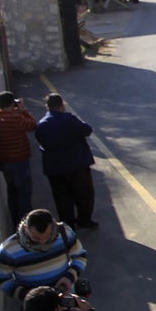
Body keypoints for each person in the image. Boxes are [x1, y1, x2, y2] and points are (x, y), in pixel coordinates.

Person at [0, 209, 86, 306]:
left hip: (65, 297)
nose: (42, 243)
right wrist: (27, 295)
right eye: (36, 238)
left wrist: (69, 277)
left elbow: (80, 256)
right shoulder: (9, 249)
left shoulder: (64, 233)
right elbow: (2, 279)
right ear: (26, 228)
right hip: (36, 307)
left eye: (47, 237)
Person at [35, 93, 98, 229]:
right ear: (61, 105)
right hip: (77, 165)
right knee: (84, 195)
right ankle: (84, 220)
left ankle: (68, 225)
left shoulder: (41, 125)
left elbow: (42, 143)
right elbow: (87, 130)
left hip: (55, 169)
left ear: (47, 107)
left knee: (62, 199)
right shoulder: (69, 119)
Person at [0, 91, 37, 226]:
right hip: (20, 160)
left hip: (5, 161)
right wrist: (23, 111)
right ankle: (26, 222)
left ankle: (15, 221)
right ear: (12, 104)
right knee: (24, 193)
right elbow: (32, 125)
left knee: (12, 193)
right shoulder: (16, 118)